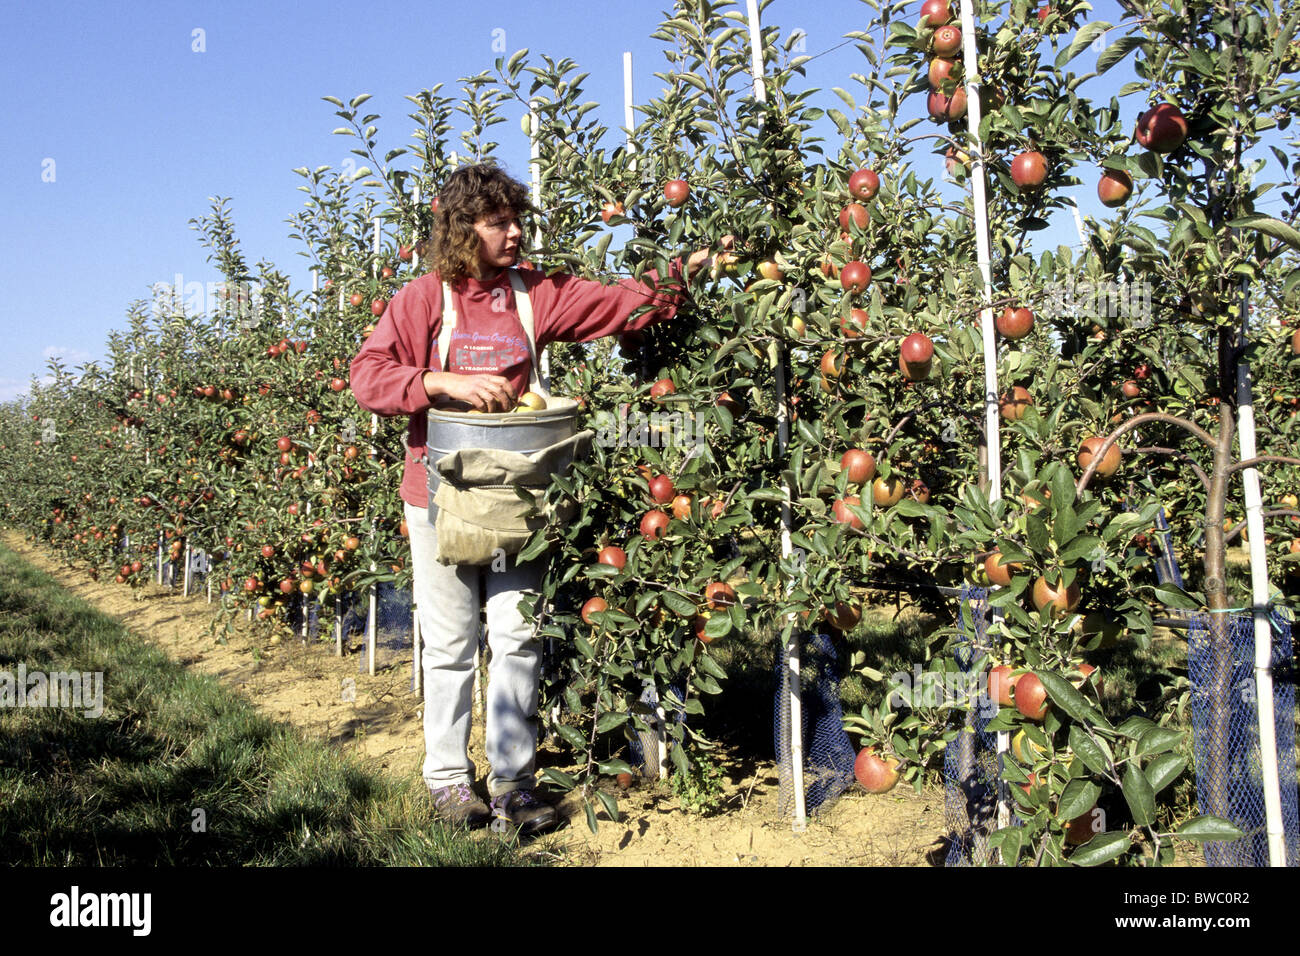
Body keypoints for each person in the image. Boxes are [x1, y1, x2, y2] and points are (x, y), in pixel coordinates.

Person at [350, 162, 713, 835]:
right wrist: (442, 382)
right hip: (439, 498)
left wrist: (683, 272)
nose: (516, 232)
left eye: (519, 219)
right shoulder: (425, 299)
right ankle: (449, 782)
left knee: (517, 633)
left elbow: (616, 304)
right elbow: (368, 376)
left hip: (519, 498)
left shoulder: (532, 295)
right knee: (452, 641)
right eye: (499, 222)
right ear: (464, 230)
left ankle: (514, 782)